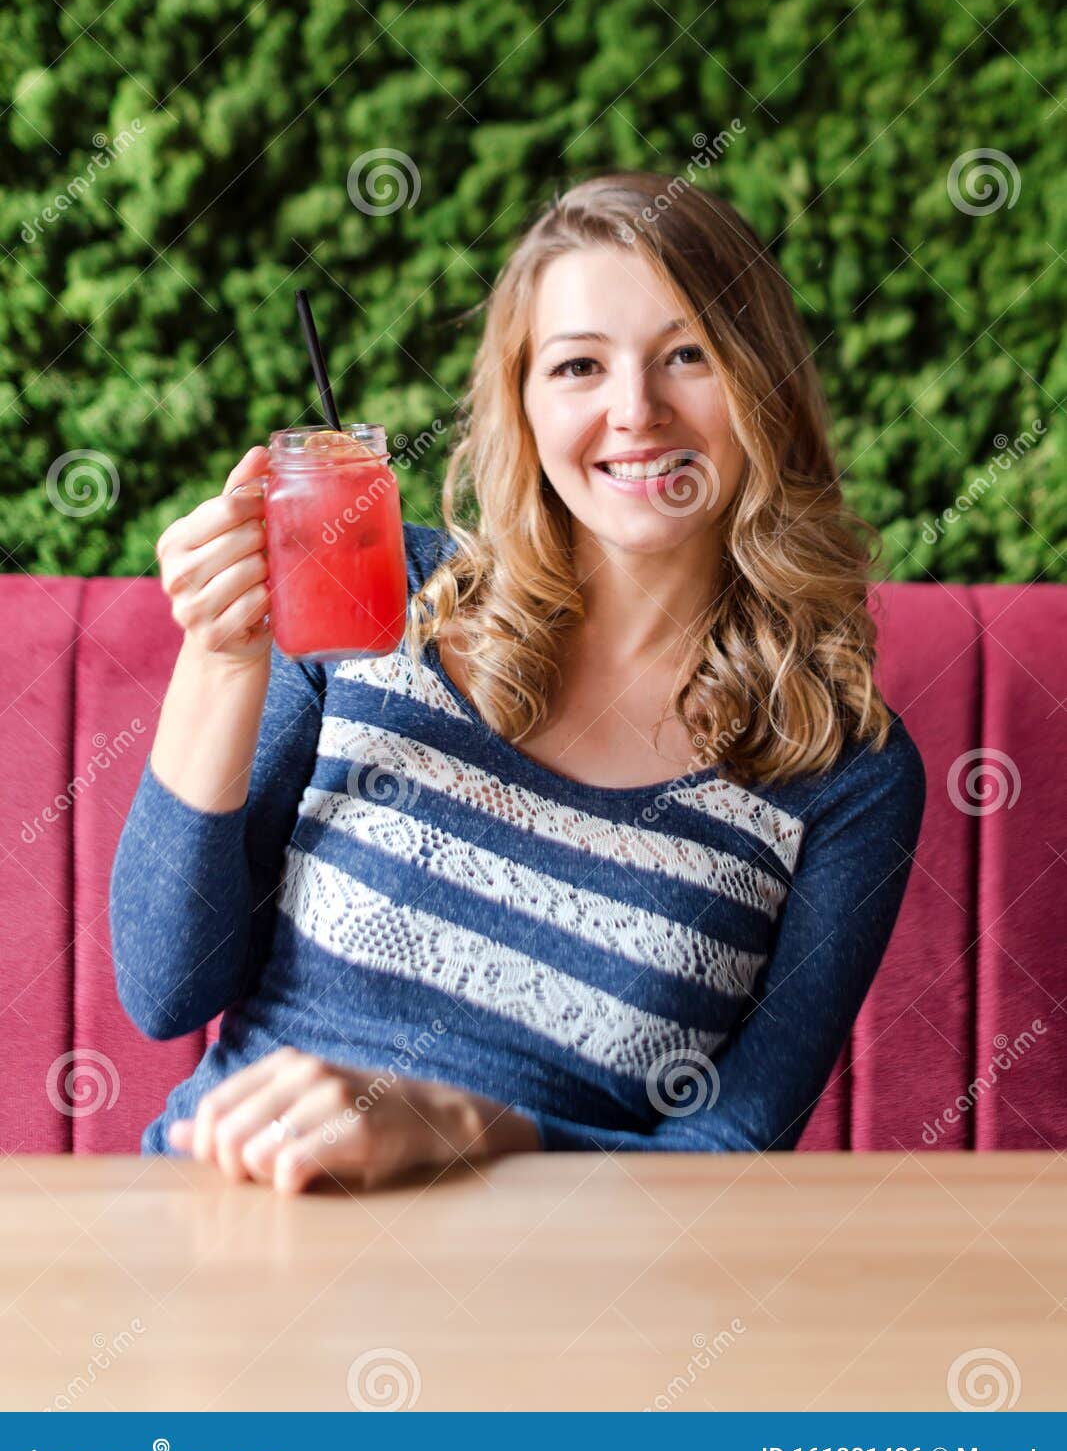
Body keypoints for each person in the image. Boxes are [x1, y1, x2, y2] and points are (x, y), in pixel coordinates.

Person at [109, 171, 926, 1194]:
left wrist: (468, 1126)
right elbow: (165, 986)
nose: (635, 410)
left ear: (759, 385)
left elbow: (730, 1156)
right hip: (236, 1234)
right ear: (523, 404)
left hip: (558, 1317)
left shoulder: (843, 766)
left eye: (686, 355)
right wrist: (223, 655)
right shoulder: (376, 595)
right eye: (579, 365)